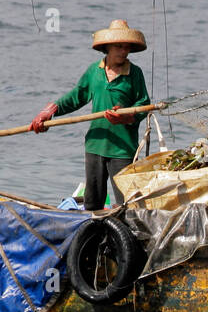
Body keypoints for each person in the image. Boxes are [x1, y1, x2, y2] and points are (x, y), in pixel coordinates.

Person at [30, 19, 150, 211]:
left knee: (127, 204)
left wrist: (125, 117)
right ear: (108, 47)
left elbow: (144, 105)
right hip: (95, 144)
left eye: (126, 47)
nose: (123, 51)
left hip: (123, 148)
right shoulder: (94, 71)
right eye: (119, 47)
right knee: (93, 202)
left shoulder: (135, 74)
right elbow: (76, 97)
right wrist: (51, 111)